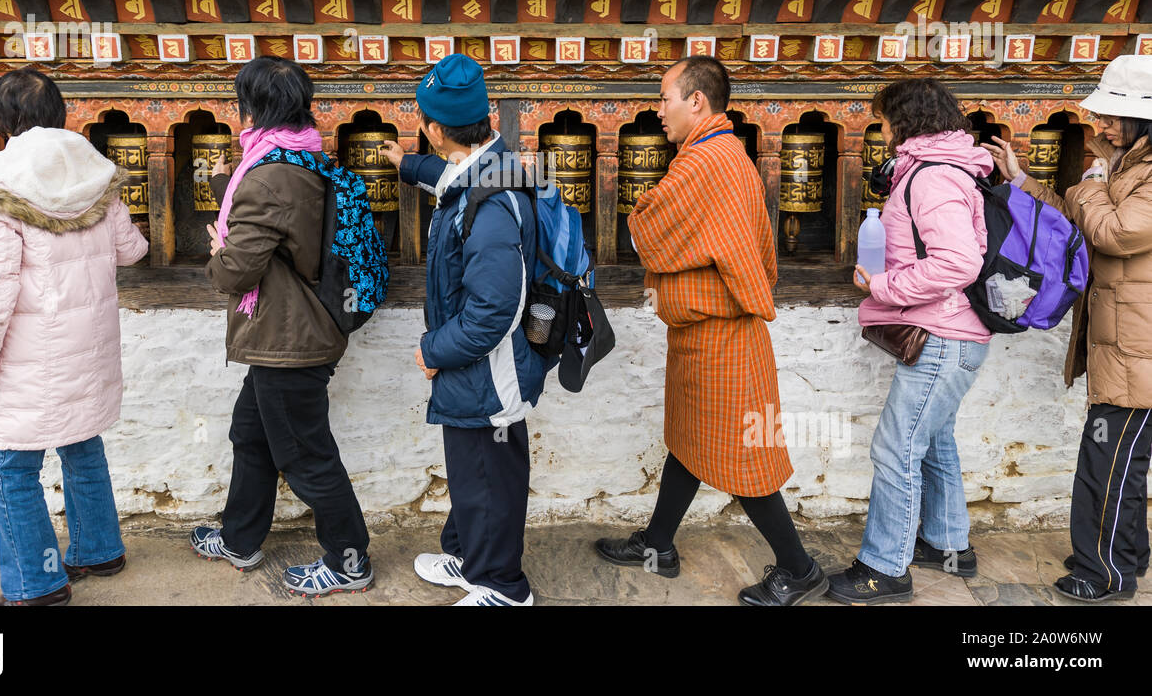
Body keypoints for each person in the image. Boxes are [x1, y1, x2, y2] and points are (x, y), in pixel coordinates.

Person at [594, 55, 825, 606]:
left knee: (747, 454)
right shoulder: (721, 153)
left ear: (696, 100)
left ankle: (798, 569)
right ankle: (658, 544)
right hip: (704, 334)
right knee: (692, 442)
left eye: (665, 98)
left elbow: (647, 224)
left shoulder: (707, 161)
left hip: (725, 335)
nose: (659, 110)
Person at [0, 68, 150, 606]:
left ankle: (36, 584)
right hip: (88, 349)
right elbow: (132, 250)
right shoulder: (95, 174)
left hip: (30, 359)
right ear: (60, 114)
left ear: (2, 120)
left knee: (13, 465)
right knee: (82, 442)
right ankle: (99, 550)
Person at [189, 57, 372, 597]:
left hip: (290, 340)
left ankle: (349, 560)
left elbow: (235, 271)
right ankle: (240, 538)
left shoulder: (266, 177)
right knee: (251, 434)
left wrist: (218, 250)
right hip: (293, 334)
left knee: (307, 456)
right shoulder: (307, 159)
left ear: (252, 109)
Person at [984, 53, 1152, 603]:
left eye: (1110, 117)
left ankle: (1102, 573)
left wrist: (1092, 183)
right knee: (1117, 460)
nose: (1100, 126)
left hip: (1139, 348)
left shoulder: (1136, 178)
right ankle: (1123, 557)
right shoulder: (1122, 168)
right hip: (1123, 342)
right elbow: (1073, 221)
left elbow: (1114, 233)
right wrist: (1022, 181)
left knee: (1108, 461)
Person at [379, 53, 546, 606]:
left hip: (487, 367)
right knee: (471, 469)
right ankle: (470, 555)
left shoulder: (493, 204)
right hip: (473, 366)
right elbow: (450, 179)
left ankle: (502, 586)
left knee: (489, 471)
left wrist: (434, 349)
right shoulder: (484, 168)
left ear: (433, 128)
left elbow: (493, 311)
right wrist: (407, 165)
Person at [827, 77, 994, 605]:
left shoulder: (932, 178)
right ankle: (948, 545)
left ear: (904, 122)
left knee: (896, 449)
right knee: (934, 442)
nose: (880, 131)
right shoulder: (946, 169)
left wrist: (883, 286)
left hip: (941, 334)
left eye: (883, 120)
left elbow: (958, 261)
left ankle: (884, 569)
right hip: (955, 332)